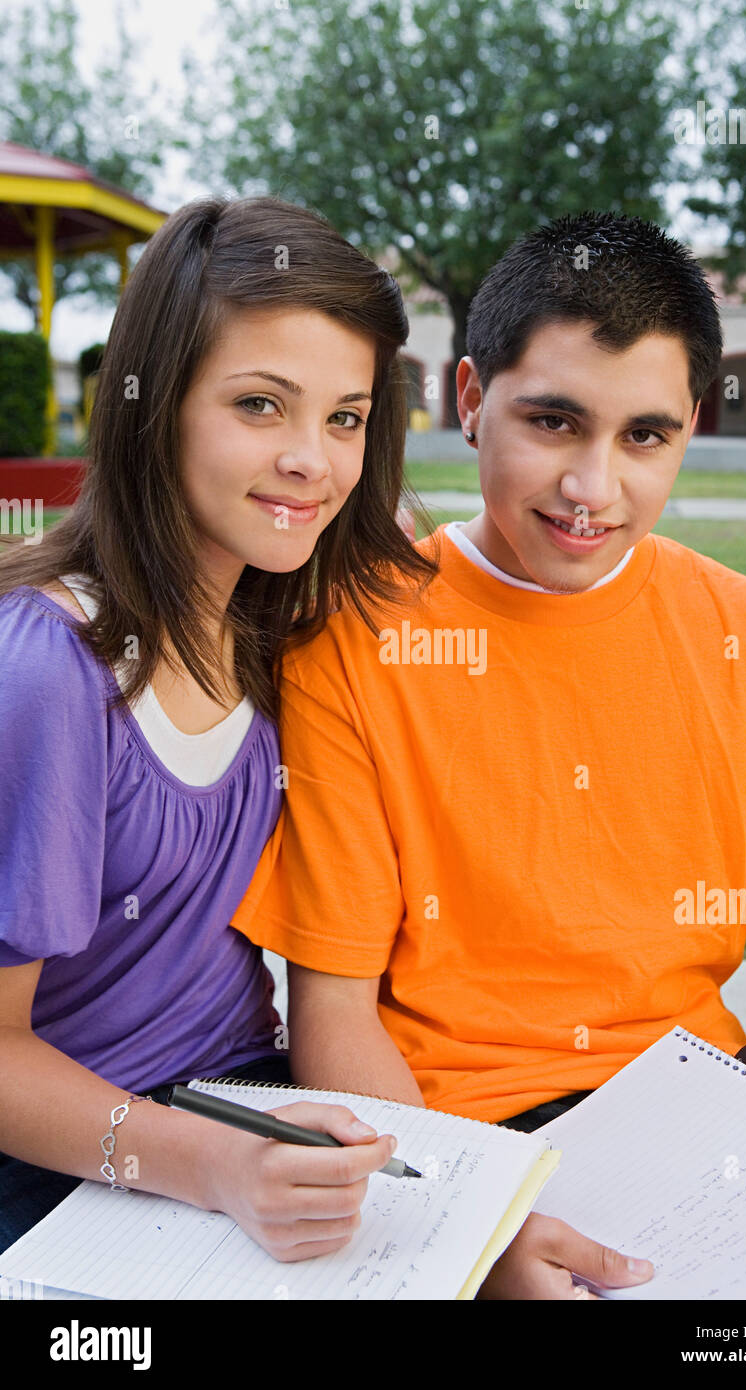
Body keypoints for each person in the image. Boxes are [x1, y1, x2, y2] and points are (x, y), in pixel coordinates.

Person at [231, 211, 746, 1299]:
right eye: (554, 422)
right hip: (462, 1134)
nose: (591, 487)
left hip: (709, 1115)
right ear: (470, 401)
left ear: (688, 429)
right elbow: (332, 1011)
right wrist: (464, 1222)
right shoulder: (352, 638)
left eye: (643, 437)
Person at [0, 193, 442, 1261]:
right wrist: (212, 1162)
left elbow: (417, 541)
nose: (311, 460)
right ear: (153, 404)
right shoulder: (53, 669)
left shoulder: (275, 618)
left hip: (250, 1101)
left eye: (345, 417)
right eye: (258, 404)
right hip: (79, 1159)